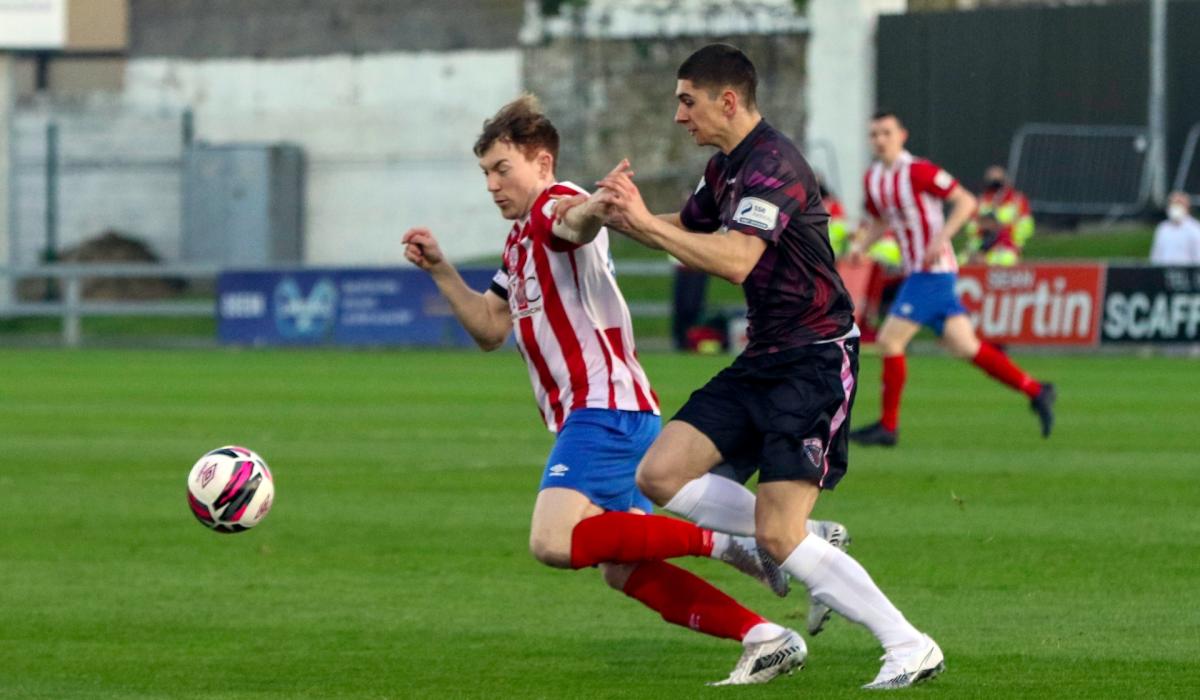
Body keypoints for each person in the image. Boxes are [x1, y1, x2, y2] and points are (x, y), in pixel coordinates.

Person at [561, 44, 945, 689]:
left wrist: (638, 225)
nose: (679, 115)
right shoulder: (724, 169)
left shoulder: (776, 165)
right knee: (660, 471)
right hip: (765, 355)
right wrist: (604, 215)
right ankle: (813, 538)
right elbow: (684, 228)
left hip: (815, 360)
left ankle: (909, 644)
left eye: (688, 100)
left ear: (727, 100)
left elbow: (735, 259)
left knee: (776, 533)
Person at [403, 95, 814, 686]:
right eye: (486, 173)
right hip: (606, 410)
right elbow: (491, 328)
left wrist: (596, 205)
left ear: (541, 163)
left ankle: (729, 543)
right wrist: (442, 271)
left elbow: (574, 222)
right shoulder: (519, 240)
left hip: (605, 408)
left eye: (502, 168)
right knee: (623, 568)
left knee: (552, 540)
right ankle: (766, 637)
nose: (492, 184)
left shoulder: (552, 205)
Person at [846, 112, 1057, 447]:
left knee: (889, 341)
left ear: (902, 135)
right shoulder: (874, 179)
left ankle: (888, 426)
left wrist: (940, 237)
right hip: (920, 271)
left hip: (934, 272)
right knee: (966, 346)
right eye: (874, 134)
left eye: (886, 132)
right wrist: (861, 247)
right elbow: (880, 221)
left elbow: (966, 201)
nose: (880, 139)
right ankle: (1036, 390)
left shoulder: (919, 171)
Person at [961, 165, 1034, 267]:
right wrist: (982, 228)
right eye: (991, 179)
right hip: (981, 244)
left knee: (1006, 260)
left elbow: (1026, 226)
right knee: (961, 260)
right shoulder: (981, 201)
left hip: (1006, 244)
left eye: (997, 180)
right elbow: (970, 227)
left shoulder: (1017, 200)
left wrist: (1002, 229)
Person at [1150, 191, 1200, 265]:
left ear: (1187, 206)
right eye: (1173, 204)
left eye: (1179, 203)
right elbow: (1156, 255)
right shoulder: (1162, 228)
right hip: (1164, 272)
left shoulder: (1195, 228)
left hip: (1186, 274)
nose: (1175, 207)